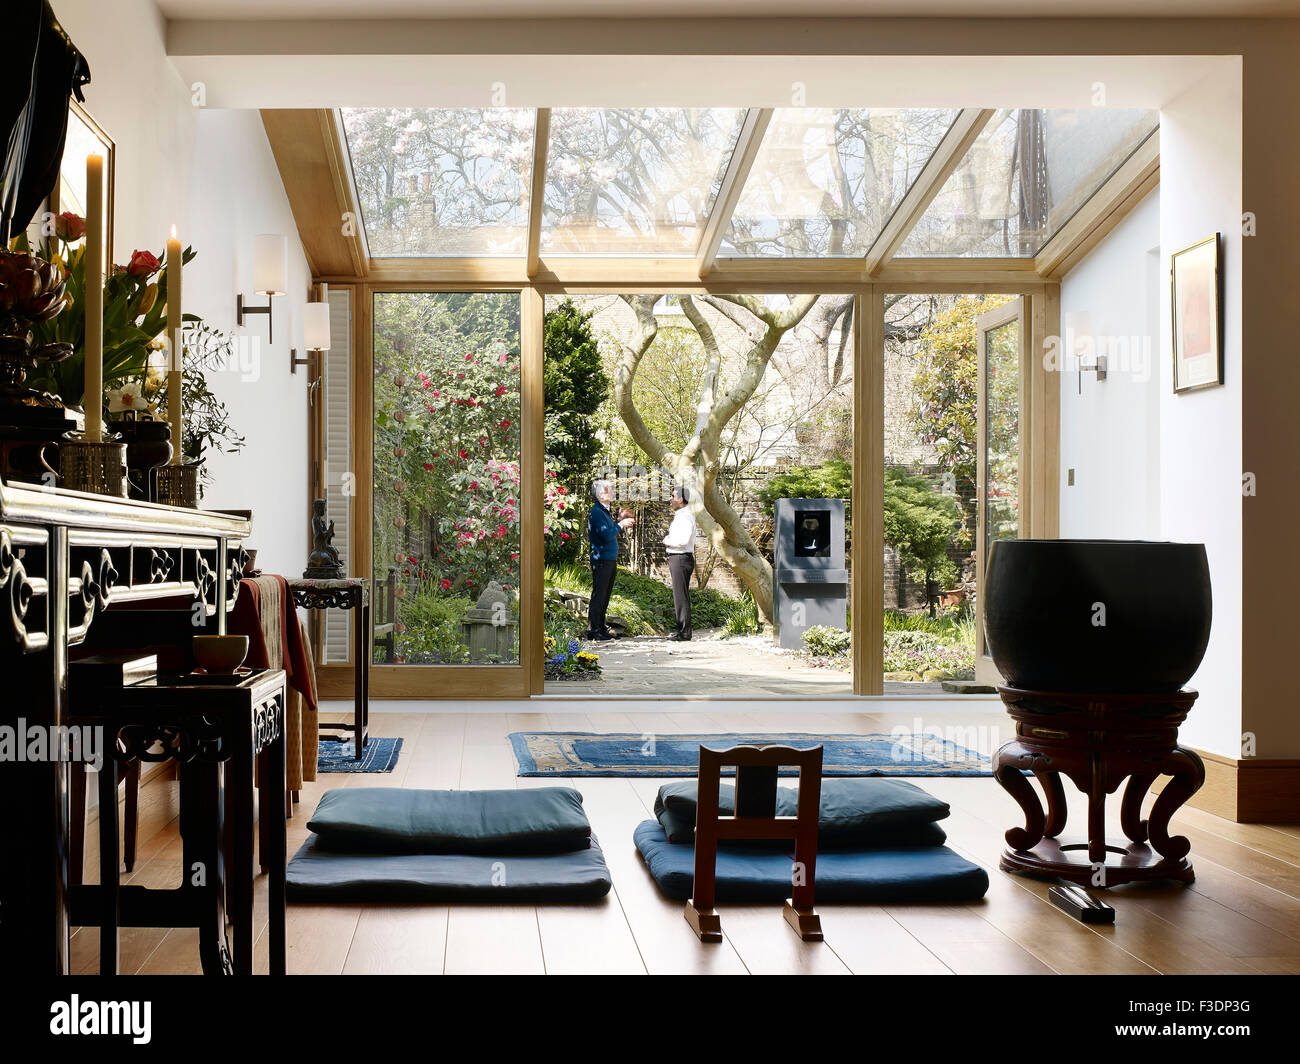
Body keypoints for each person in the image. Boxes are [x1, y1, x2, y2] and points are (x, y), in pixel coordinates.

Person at [586, 479, 633, 640]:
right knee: (599, 595)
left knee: (605, 595)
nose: (612, 492)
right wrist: (621, 525)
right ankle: (593, 630)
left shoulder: (604, 511)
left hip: (609, 559)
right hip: (602, 559)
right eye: (609, 490)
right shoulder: (597, 512)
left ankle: (600, 627)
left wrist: (618, 522)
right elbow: (606, 535)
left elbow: (608, 530)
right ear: (600, 494)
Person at [663, 485, 697, 641]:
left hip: (680, 558)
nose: (670, 498)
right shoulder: (682, 515)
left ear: (681, 499)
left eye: (673, 496)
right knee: (680, 596)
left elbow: (682, 541)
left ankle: (684, 633)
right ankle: (683, 631)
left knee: (680, 596)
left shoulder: (685, 516)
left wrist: (667, 541)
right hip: (680, 558)